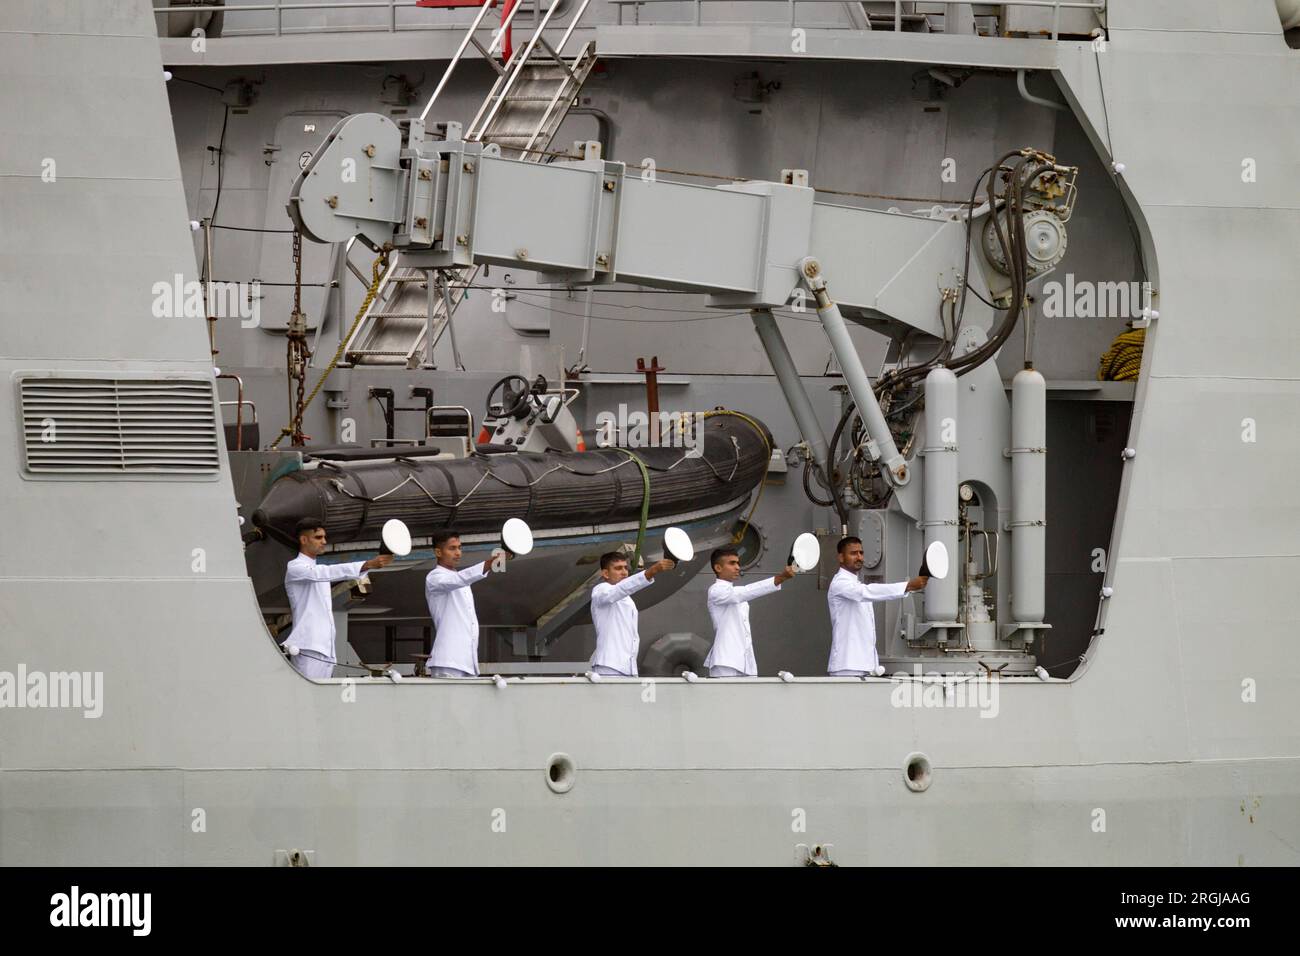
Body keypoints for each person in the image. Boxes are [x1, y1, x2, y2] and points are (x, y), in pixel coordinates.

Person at [283, 517, 391, 679]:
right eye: (318, 537)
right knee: (306, 694)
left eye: (324, 537)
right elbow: (325, 572)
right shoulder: (295, 567)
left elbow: (324, 573)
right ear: (303, 540)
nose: (324, 541)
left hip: (326, 648)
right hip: (308, 646)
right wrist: (367, 564)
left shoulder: (316, 569)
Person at [828, 536, 927, 677]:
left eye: (861, 553)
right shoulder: (839, 583)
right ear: (841, 557)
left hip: (866, 665)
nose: (859, 557)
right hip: (846, 665)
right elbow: (865, 592)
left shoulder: (855, 583)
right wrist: (907, 586)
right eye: (853, 553)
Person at [426, 530, 511, 678]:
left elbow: (461, 579)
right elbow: (460, 579)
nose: (458, 553)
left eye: (460, 548)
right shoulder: (434, 577)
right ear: (438, 552)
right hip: (447, 661)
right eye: (452, 548)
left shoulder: (459, 578)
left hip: (467, 662)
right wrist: (491, 562)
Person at [703, 547, 797, 677]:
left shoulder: (734, 592)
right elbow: (746, 592)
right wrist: (780, 578)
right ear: (718, 568)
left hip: (746, 662)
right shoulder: (716, 590)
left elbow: (742, 594)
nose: (737, 567)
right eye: (732, 563)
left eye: (738, 563)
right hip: (725, 661)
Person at [589, 551, 675, 677]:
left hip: (627, 667)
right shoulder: (601, 590)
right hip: (609, 666)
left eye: (626, 568)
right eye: (618, 568)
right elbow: (620, 590)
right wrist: (651, 571)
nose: (624, 572)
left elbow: (623, 589)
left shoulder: (625, 598)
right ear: (606, 573)